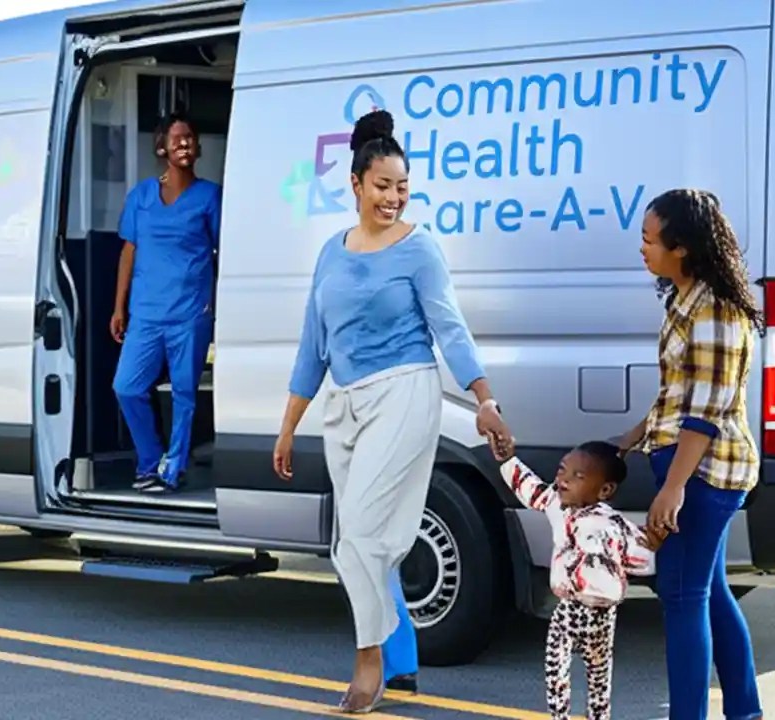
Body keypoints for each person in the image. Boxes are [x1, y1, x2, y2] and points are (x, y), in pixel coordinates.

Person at [271, 109, 512, 714]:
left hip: (405, 390)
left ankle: (368, 661)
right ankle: (402, 661)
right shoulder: (331, 252)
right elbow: (313, 345)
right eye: (383, 186)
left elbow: (449, 329)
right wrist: (288, 425)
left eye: (403, 187)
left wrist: (484, 398)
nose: (394, 198)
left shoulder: (419, 248)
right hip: (344, 406)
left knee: (357, 540)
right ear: (355, 184)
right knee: (363, 540)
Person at [620, 188, 764, 720]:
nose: (642, 249)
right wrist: (635, 435)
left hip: (707, 473)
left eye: (649, 239)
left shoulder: (718, 311)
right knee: (711, 593)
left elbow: (705, 413)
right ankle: (745, 712)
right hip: (691, 467)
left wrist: (672, 489)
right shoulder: (685, 298)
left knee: (681, 596)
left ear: (680, 246)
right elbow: (676, 396)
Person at [498, 442, 658, 720]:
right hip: (569, 609)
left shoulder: (613, 525)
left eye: (577, 476)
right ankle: (559, 716)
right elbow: (531, 489)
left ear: (605, 490)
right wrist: (508, 460)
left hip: (603, 614)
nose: (563, 480)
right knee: (555, 669)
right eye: (562, 471)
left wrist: (657, 539)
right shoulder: (556, 505)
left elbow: (643, 560)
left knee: (599, 677)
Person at [110, 113, 222, 494]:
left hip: (190, 313)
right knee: (126, 386)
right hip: (146, 313)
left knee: (184, 393)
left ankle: (172, 470)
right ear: (162, 147)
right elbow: (129, 251)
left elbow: (224, 249)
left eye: (190, 138)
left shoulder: (209, 196)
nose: (185, 144)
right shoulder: (141, 197)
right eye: (177, 139)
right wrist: (119, 307)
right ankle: (149, 461)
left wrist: (215, 300)